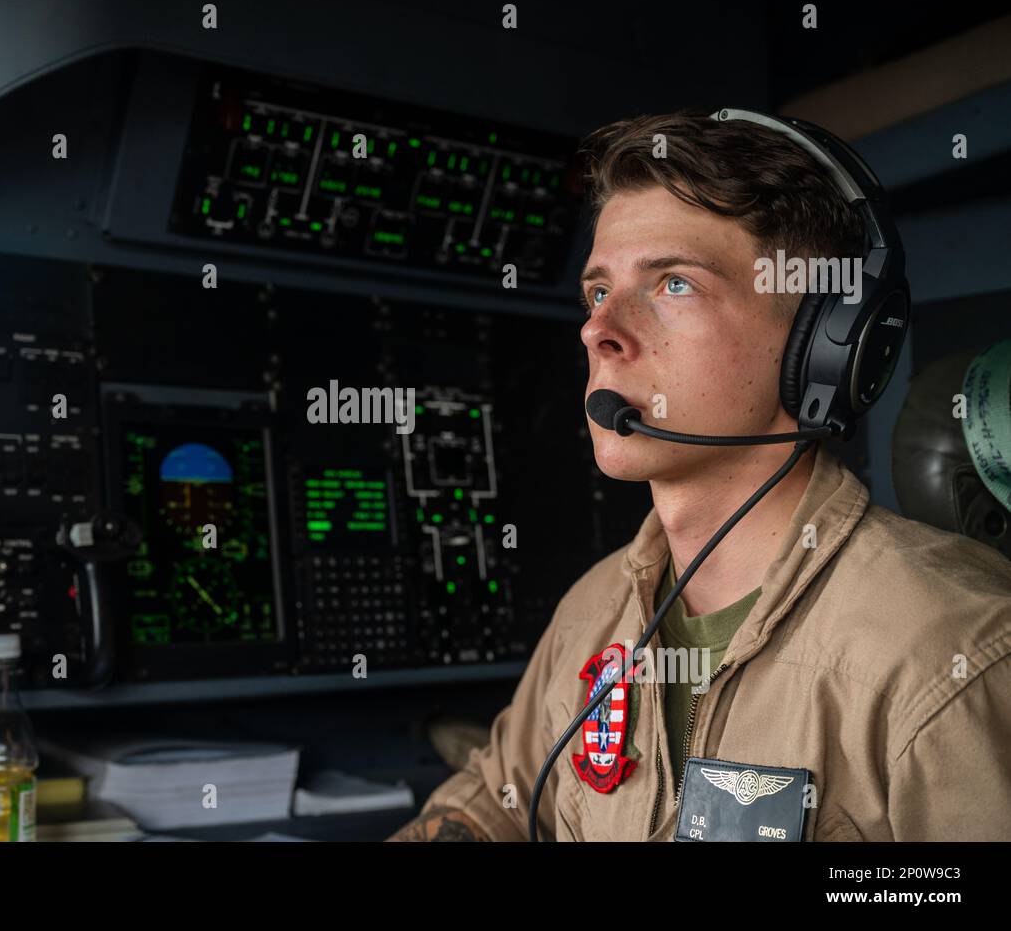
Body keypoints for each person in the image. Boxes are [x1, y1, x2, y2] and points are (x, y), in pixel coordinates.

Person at [387, 111, 1011, 842]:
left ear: (827, 343)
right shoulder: (594, 614)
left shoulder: (951, 651)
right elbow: (492, 804)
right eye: (596, 292)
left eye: (673, 283)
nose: (599, 329)